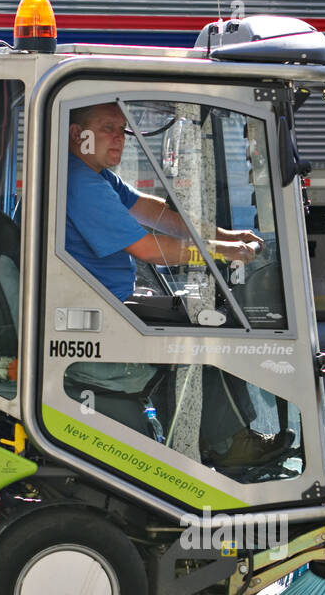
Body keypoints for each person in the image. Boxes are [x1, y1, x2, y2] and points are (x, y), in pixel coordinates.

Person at [62, 102, 292, 471]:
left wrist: (223, 236)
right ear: (77, 134)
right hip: (96, 318)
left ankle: (222, 440)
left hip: (104, 307)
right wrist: (218, 253)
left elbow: (154, 212)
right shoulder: (78, 182)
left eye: (123, 130)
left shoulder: (94, 175)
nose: (120, 139)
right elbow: (150, 249)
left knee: (200, 320)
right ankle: (224, 445)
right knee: (205, 336)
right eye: (109, 128)